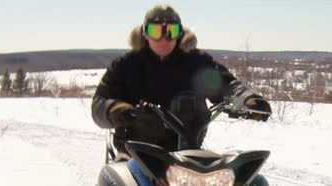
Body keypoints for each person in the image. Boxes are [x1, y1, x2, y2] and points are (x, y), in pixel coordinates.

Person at [91, 4, 271, 159]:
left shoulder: (196, 63)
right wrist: (113, 110)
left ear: (180, 34)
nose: (164, 39)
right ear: (145, 34)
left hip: (187, 155)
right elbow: (100, 102)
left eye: (171, 31)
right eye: (156, 31)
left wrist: (246, 99)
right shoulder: (126, 65)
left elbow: (225, 86)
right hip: (135, 154)